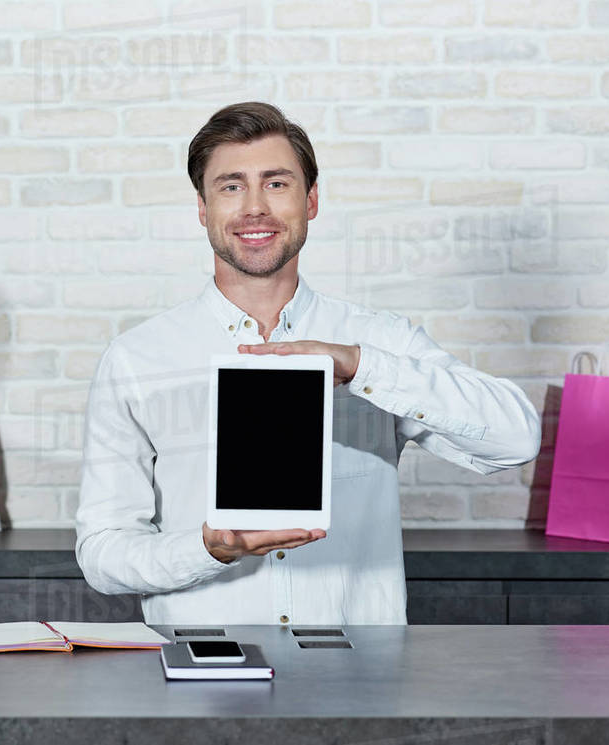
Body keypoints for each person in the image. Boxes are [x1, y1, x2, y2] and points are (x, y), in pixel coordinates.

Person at [75, 101, 542, 626]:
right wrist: (209, 549)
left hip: (361, 678)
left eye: (277, 184)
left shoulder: (378, 341)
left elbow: (515, 440)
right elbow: (103, 554)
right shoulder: (139, 359)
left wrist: (362, 369)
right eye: (231, 186)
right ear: (203, 208)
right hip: (206, 676)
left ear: (311, 200)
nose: (254, 207)